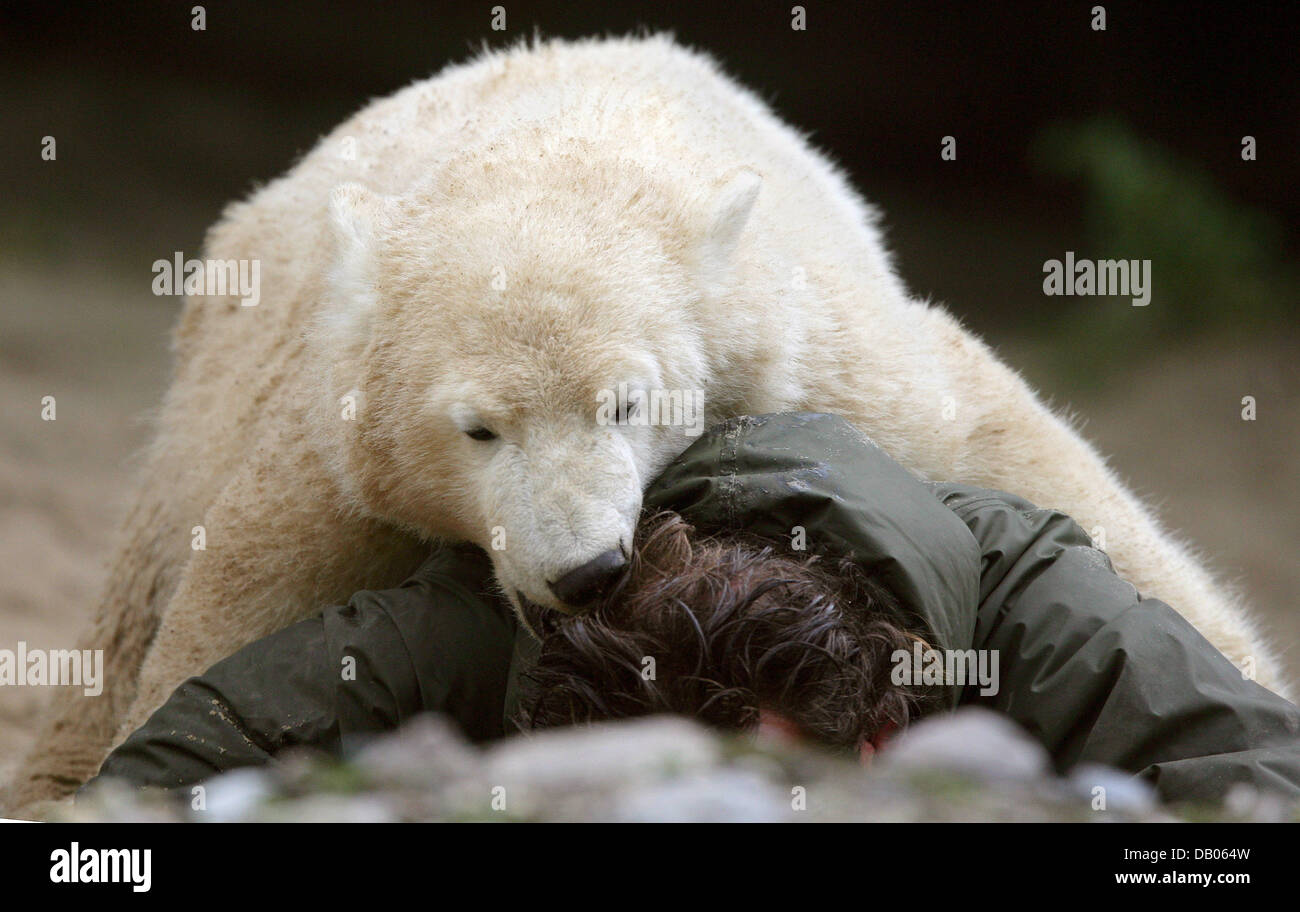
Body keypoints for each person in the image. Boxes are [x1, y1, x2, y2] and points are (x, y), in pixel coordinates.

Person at [85, 413, 1300, 805]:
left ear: (889, 719)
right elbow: (125, 818)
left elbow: (1261, 784)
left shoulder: (1012, 603)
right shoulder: (489, 628)